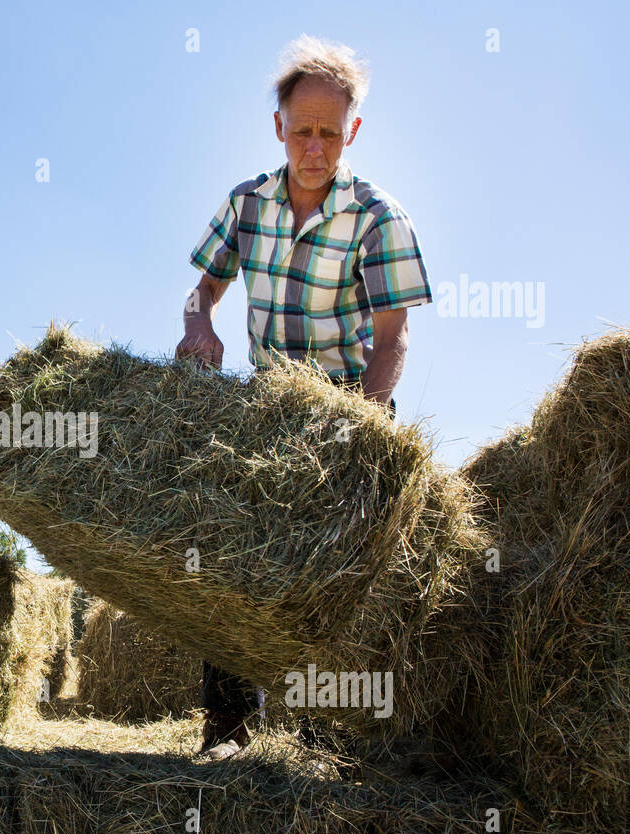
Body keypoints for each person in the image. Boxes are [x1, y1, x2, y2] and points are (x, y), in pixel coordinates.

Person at [177, 35, 434, 759]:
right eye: (302, 131)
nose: (314, 147)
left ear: (351, 132)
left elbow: (394, 335)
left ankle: (322, 744)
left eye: (329, 133)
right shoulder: (247, 204)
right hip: (264, 410)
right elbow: (202, 288)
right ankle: (225, 735)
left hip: (344, 407)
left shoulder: (379, 219)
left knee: (333, 581)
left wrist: (367, 424)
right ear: (279, 128)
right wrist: (202, 328)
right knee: (231, 561)